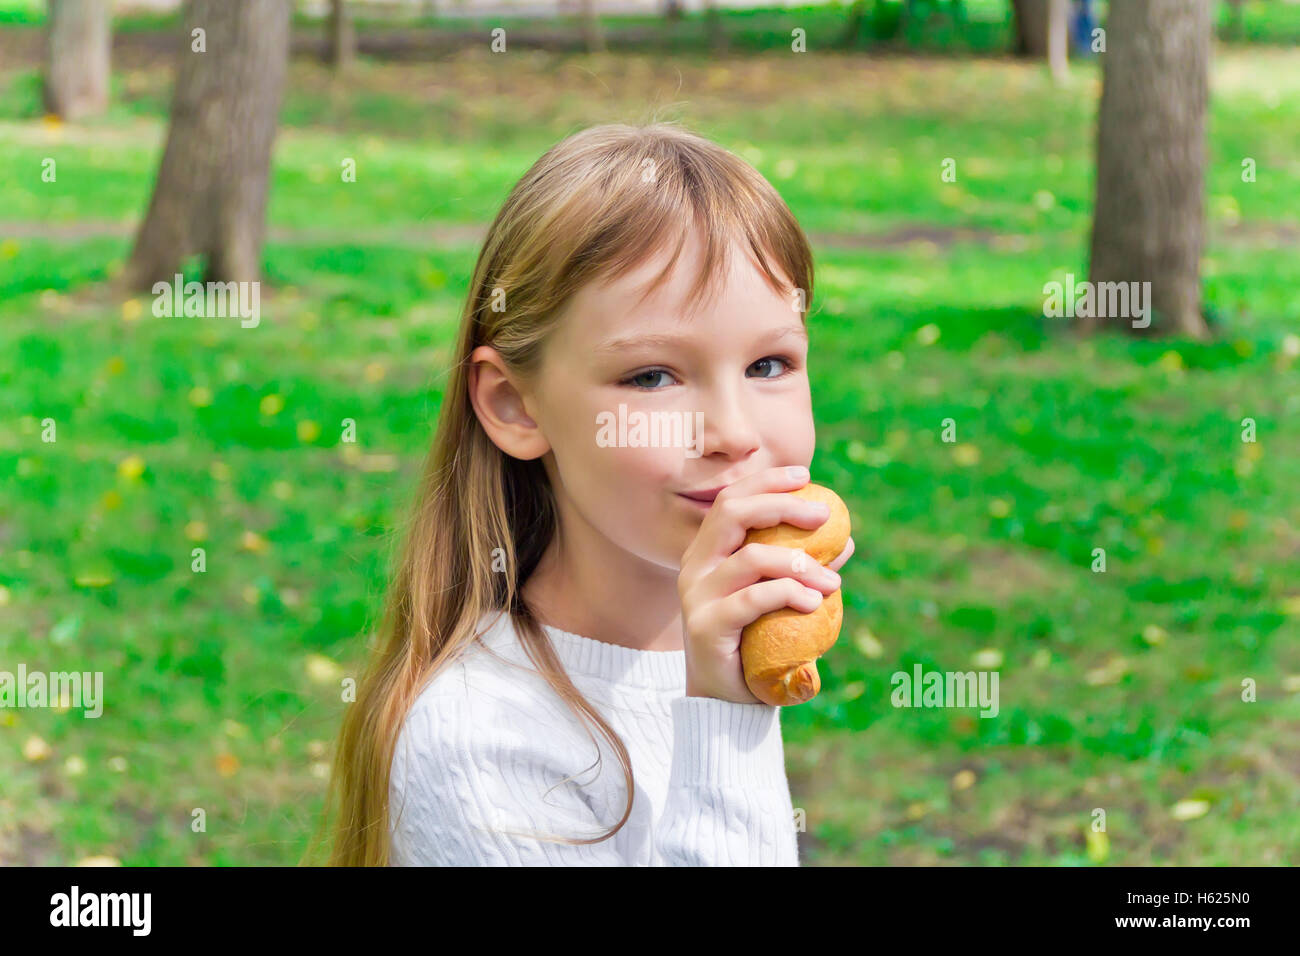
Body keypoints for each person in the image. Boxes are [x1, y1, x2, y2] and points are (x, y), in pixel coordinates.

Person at [319, 122, 856, 866]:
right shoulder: (479, 743)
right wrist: (728, 714)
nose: (733, 432)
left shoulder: (719, 650)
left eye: (768, 364)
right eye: (651, 376)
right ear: (515, 405)